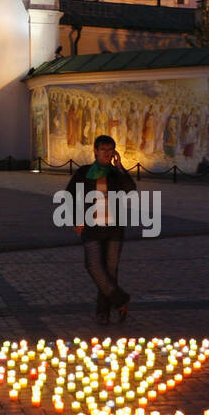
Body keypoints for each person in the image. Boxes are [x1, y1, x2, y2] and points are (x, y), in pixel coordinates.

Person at [66, 135, 136, 324]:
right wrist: (76, 219)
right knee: (94, 266)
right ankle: (121, 300)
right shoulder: (84, 172)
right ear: (95, 151)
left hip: (114, 228)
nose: (107, 153)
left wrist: (120, 167)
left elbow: (130, 188)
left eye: (110, 149)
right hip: (91, 227)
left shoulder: (115, 173)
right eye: (103, 149)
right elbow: (70, 196)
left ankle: (102, 313)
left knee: (110, 271)